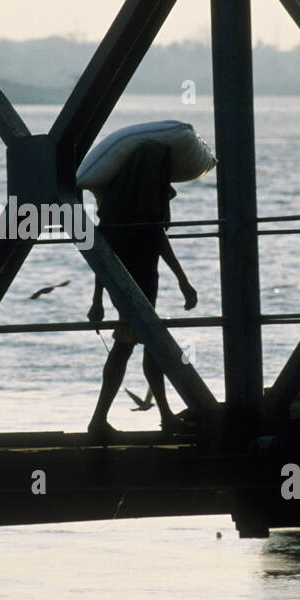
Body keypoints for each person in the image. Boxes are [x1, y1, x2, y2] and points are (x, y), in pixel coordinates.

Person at [87, 140, 197, 439]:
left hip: (138, 281)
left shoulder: (121, 198)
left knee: (143, 343)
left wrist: (98, 299)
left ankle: (161, 414)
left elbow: (107, 252)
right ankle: (104, 420)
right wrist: (183, 280)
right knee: (135, 345)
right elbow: (112, 250)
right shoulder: (137, 197)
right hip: (132, 282)